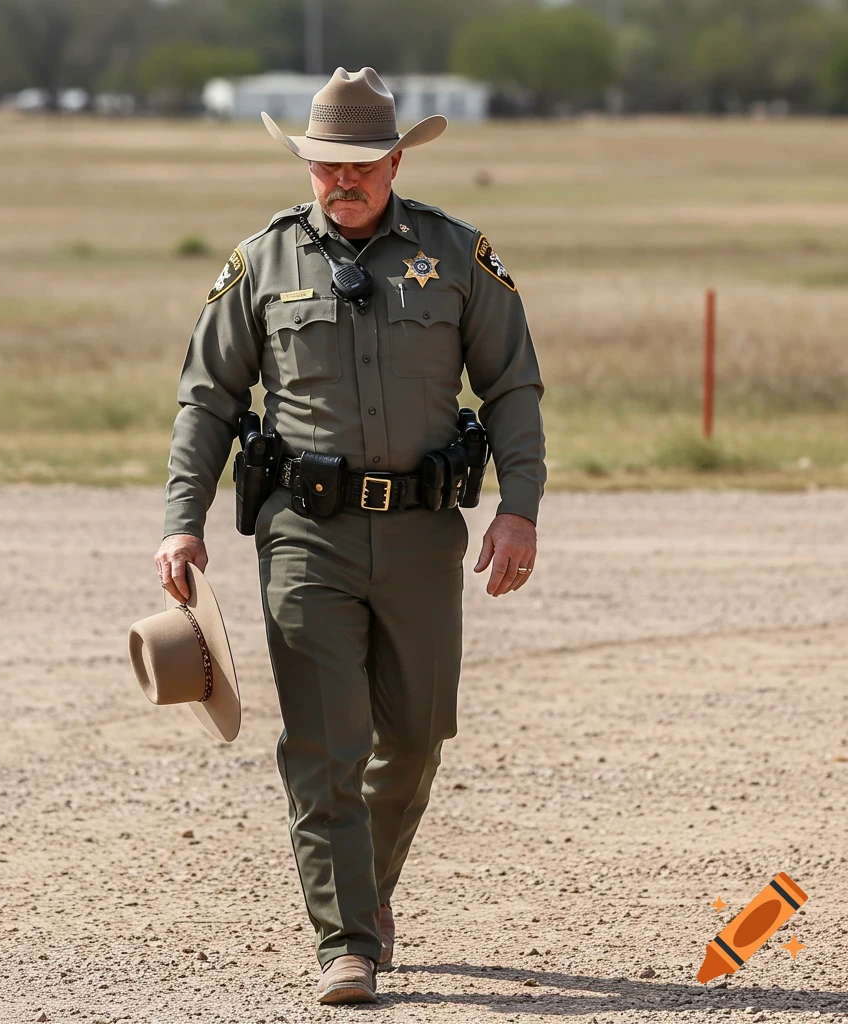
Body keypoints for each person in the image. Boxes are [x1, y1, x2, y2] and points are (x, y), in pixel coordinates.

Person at [155, 67, 545, 1005]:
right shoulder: (263, 262)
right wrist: (182, 522)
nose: (343, 180)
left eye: (362, 164)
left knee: (413, 739)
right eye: (327, 163)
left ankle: (359, 894)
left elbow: (512, 387)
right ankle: (348, 942)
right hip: (304, 535)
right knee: (327, 742)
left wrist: (520, 506)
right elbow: (207, 398)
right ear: (309, 164)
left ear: (396, 159)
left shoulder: (458, 256)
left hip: (420, 533)